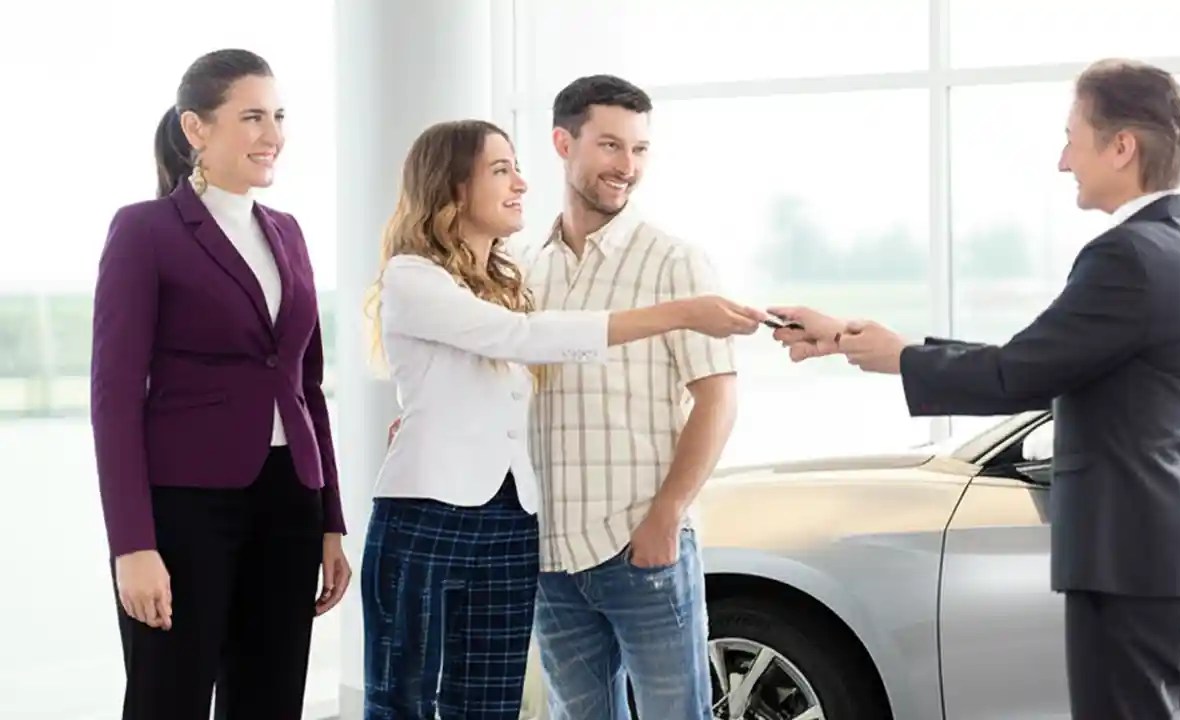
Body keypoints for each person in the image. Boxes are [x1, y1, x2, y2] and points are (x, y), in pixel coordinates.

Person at [770, 58, 1180, 720]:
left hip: (1130, 560)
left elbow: (1020, 373)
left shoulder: (1128, 256)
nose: (1062, 160)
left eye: (1071, 136)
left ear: (1122, 146)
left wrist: (898, 356)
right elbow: (1047, 359)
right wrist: (878, 344)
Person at [362, 118, 763, 720]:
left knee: (489, 706)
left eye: (517, 167)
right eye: (501, 170)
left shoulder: (510, 279)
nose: (522, 182)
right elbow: (520, 338)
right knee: (404, 701)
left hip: (510, 523)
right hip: (426, 518)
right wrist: (679, 313)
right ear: (451, 188)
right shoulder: (412, 276)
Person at [90, 48, 351, 720]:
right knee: (167, 699)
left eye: (280, 116)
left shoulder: (287, 233)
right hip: (185, 508)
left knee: (270, 700)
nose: (274, 135)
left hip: (289, 498)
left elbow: (306, 385)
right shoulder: (145, 231)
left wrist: (330, 522)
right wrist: (132, 546)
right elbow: (114, 399)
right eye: (253, 116)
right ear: (196, 129)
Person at [522, 74, 736, 720]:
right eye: (611, 147)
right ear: (564, 143)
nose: (628, 167)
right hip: (550, 556)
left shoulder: (675, 262)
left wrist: (666, 516)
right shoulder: (526, 269)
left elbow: (718, 399)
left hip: (641, 547)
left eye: (640, 150)